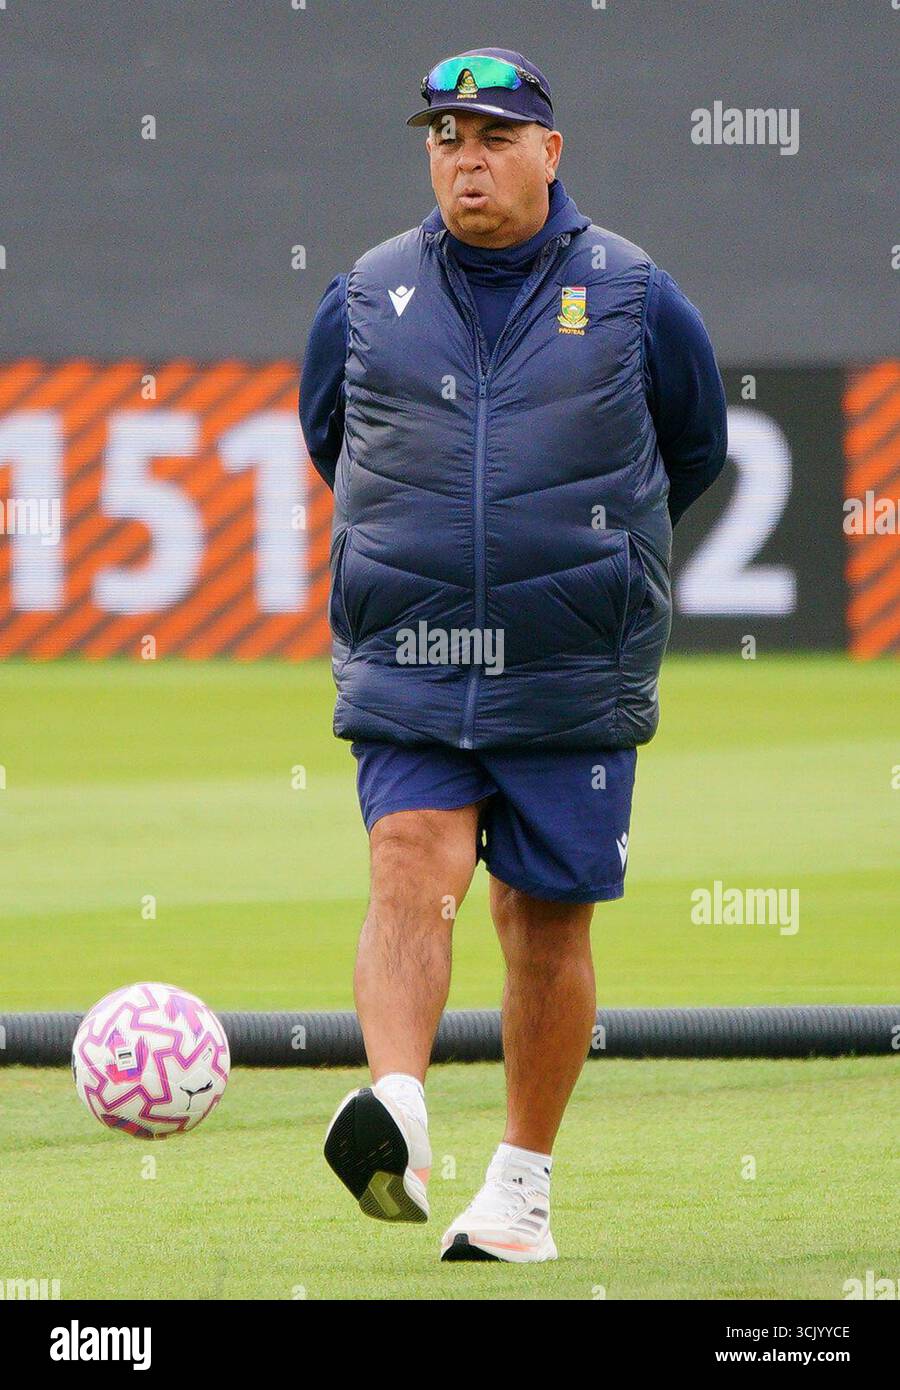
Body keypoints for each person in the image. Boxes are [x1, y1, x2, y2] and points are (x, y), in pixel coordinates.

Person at [299, 47, 727, 1263]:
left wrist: (595, 569)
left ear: (551, 151)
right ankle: (399, 1105)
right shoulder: (366, 292)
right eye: (444, 136)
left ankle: (520, 1193)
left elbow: (690, 449)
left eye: (491, 135)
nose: (465, 158)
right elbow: (333, 437)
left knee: (545, 926)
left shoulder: (637, 293)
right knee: (408, 859)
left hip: (572, 664)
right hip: (415, 648)